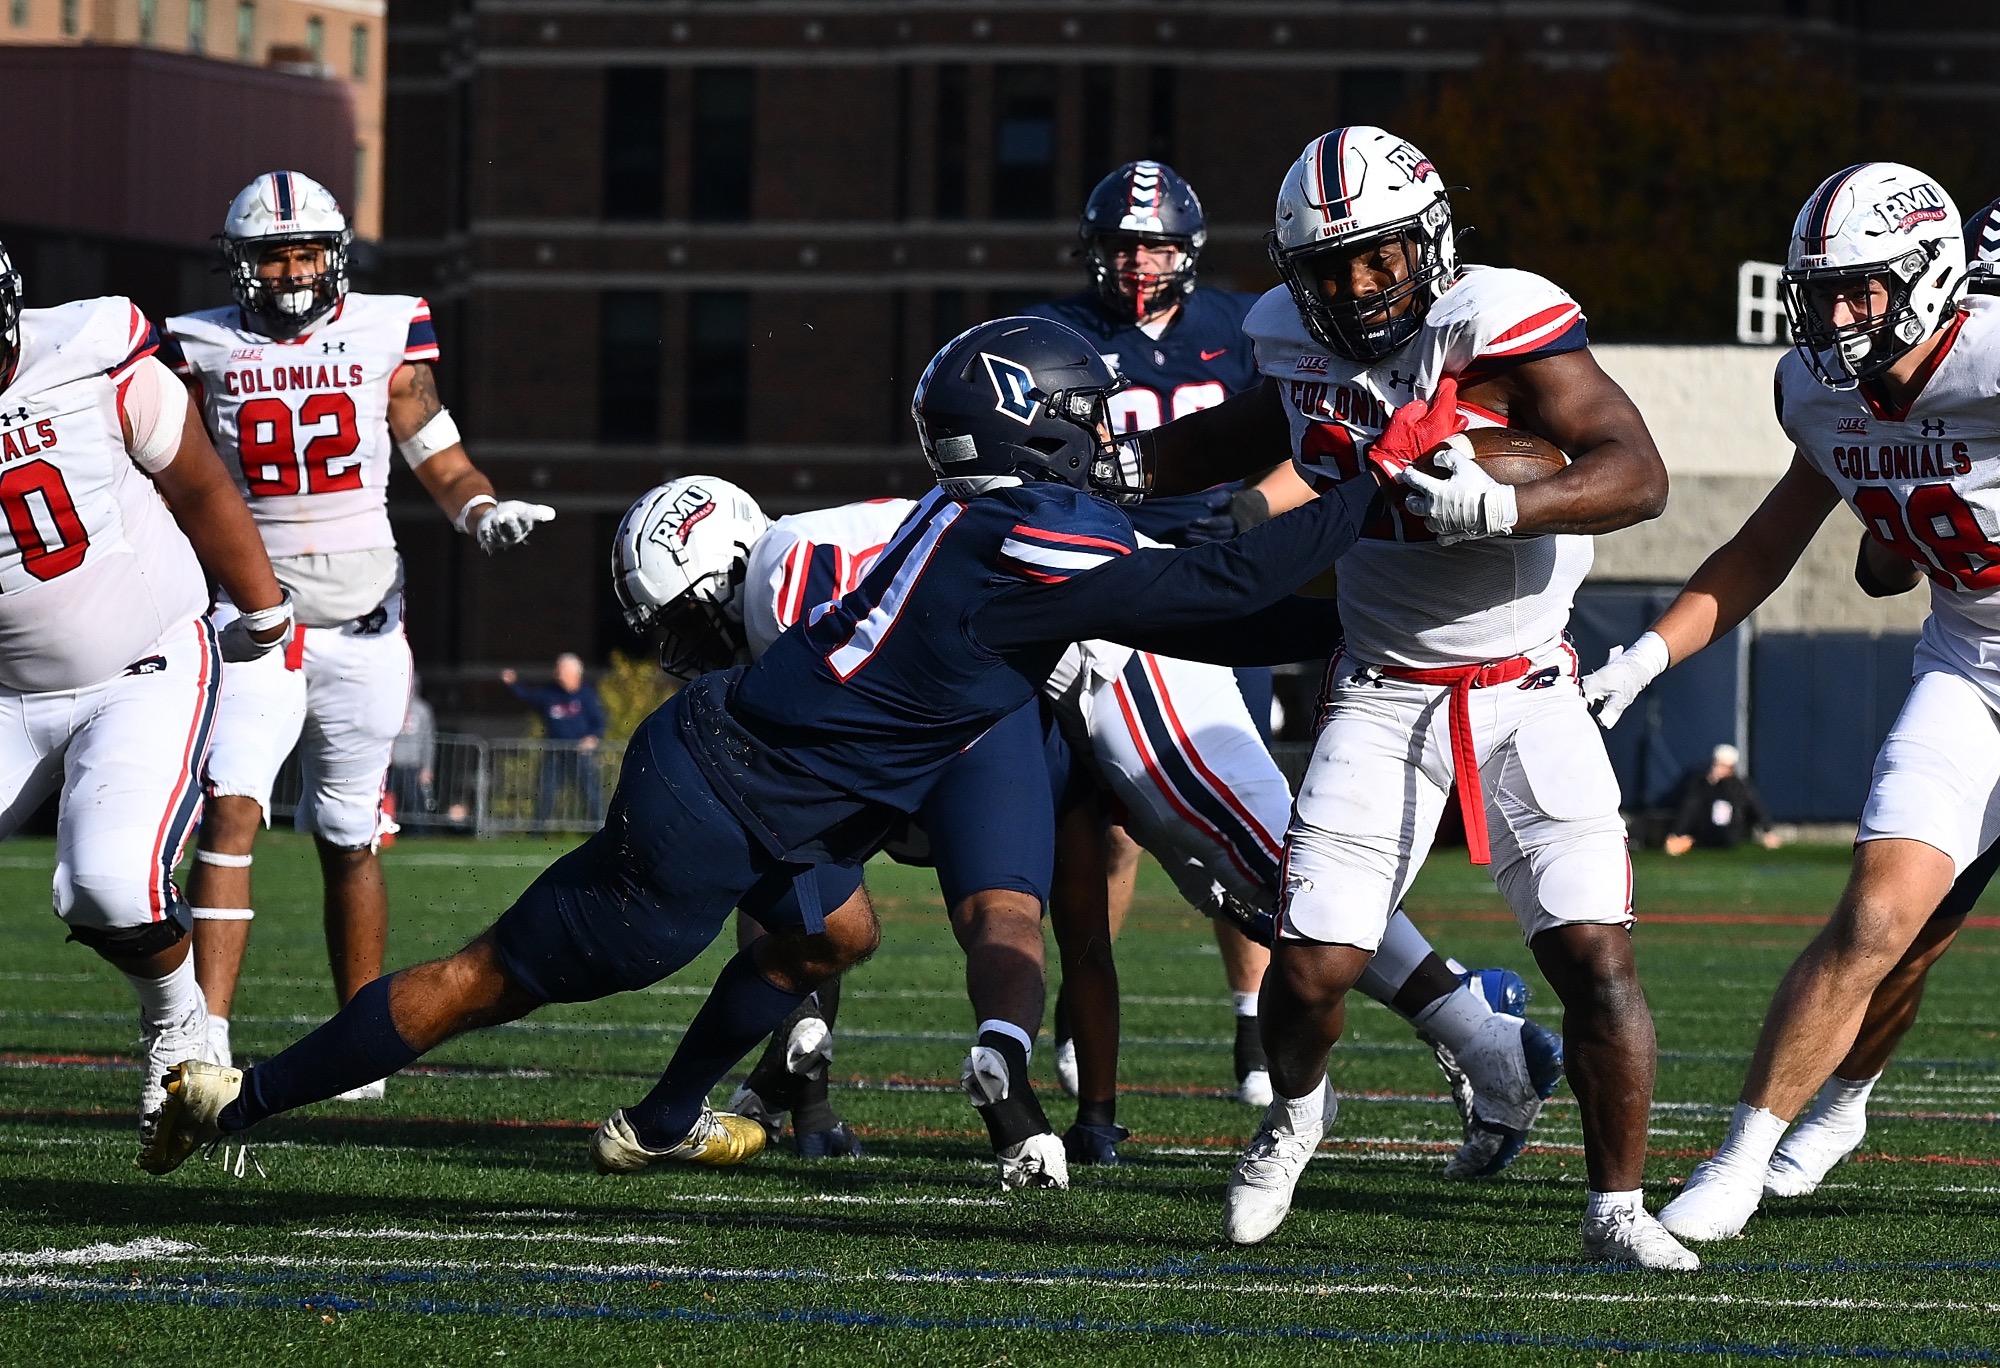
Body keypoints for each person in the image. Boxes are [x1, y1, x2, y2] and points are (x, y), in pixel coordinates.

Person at [138, 314, 1387, 1182]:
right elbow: (1219, 581)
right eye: (1079, 415)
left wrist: (1342, 593)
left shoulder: (974, 512)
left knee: (830, 934)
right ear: (1036, 431)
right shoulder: (1022, 543)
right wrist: (1369, 489)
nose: (1099, 433)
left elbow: (1197, 565)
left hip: (758, 774)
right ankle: (237, 1102)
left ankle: (665, 1121)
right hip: (726, 803)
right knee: (489, 980)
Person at [621, 477, 1560, 1178]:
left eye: (683, 620)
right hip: (1060, 657)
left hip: (1102, 645)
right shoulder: (806, 558)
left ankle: (1487, 1040)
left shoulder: (789, 573)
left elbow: (862, 745)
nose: (685, 653)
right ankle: (1483, 1035)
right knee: (1249, 879)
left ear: (724, 570)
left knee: (1278, 870)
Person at [1132, 126, 1687, 1267]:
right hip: (1383, 682)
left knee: (1594, 955)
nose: (1354, 286)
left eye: (1377, 259)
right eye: (1330, 266)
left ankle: (1615, 1211)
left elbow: (1636, 473)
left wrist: (1504, 506)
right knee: (1310, 966)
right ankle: (1294, 1116)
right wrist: (1113, 457)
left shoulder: (1497, 318)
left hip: (1527, 684)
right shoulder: (1284, 335)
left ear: (1425, 243)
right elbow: (1251, 432)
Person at [1582, 163, 1995, 1246]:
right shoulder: (1813, 389)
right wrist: (1646, 656)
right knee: (1875, 916)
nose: (1832, 315)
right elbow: (1768, 543)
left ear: (1928, 276)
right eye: (1822, 291)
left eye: (1858, 290)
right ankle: (1738, 1159)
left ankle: (1830, 1113)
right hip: (1968, 668)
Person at [164, 171, 556, 1091]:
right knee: (232, 810)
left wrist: (481, 510)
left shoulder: (386, 327)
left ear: (336, 258)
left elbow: (434, 446)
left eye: (305, 252)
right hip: (255, 624)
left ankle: (359, 1044)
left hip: (369, 624)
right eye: (274, 255)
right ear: (240, 264)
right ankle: (206, 1035)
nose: (293, 271)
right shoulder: (198, 345)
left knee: (349, 835)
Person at [1025, 159, 1319, 1107]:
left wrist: (1244, 513)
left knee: (1250, 806)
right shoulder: (1057, 333)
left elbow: (1319, 443)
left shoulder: (1247, 326)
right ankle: (1089, 1010)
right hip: (1111, 587)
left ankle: (1251, 1019)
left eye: (1153, 243)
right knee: (1108, 819)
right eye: (1122, 243)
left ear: (1188, 248)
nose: (1138, 262)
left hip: (1222, 587)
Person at [0, 245, 293, 1141]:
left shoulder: (91, 357)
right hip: (5, 691)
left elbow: (198, 481)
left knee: (108, 884)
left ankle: (178, 1022)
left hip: (139, 667)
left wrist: (265, 608)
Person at [502, 653, 607, 824]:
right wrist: (513, 683)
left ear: (574, 673)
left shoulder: (586, 695)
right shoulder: (550, 693)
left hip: (580, 754)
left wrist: (591, 739)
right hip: (555, 752)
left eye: (562, 670)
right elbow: (529, 696)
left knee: (590, 792)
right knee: (546, 791)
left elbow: (599, 723)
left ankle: (599, 827)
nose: (557, 674)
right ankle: (537, 830)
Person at [1663, 744, 1780, 855]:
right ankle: (1678, 838)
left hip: (1729, 834)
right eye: (1717, 764)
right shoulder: (1701, 783)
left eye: (1723, 765)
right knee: (1693, 802)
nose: (1719, 768)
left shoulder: (1740, 786)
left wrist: (1768, 831)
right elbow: (1690, 808)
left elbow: (1756, 807)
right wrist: (1710, 783)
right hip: (1705, 832)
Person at [387, 683, 437, 827]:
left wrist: (427, 767)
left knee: (414, 803)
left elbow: (428, 740)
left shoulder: (422, 710)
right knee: (388, 801)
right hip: (393, 763)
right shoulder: (392, 707)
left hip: (413, 765)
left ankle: (418, 833)